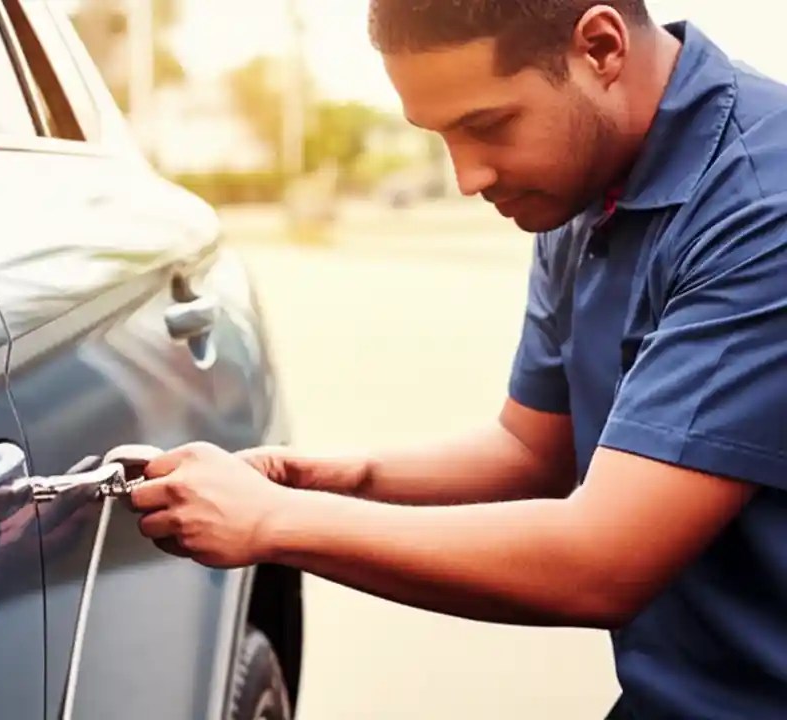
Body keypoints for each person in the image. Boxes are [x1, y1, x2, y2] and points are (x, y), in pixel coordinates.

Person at [127, 2, 787, 717]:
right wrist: (333, 478)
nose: (468, 176)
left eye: (487, 125)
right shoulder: (582, 183)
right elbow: (532, 448)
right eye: (440, 135)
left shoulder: (762, 205)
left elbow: (602, 563)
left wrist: (275, 522)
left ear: (600, 47)